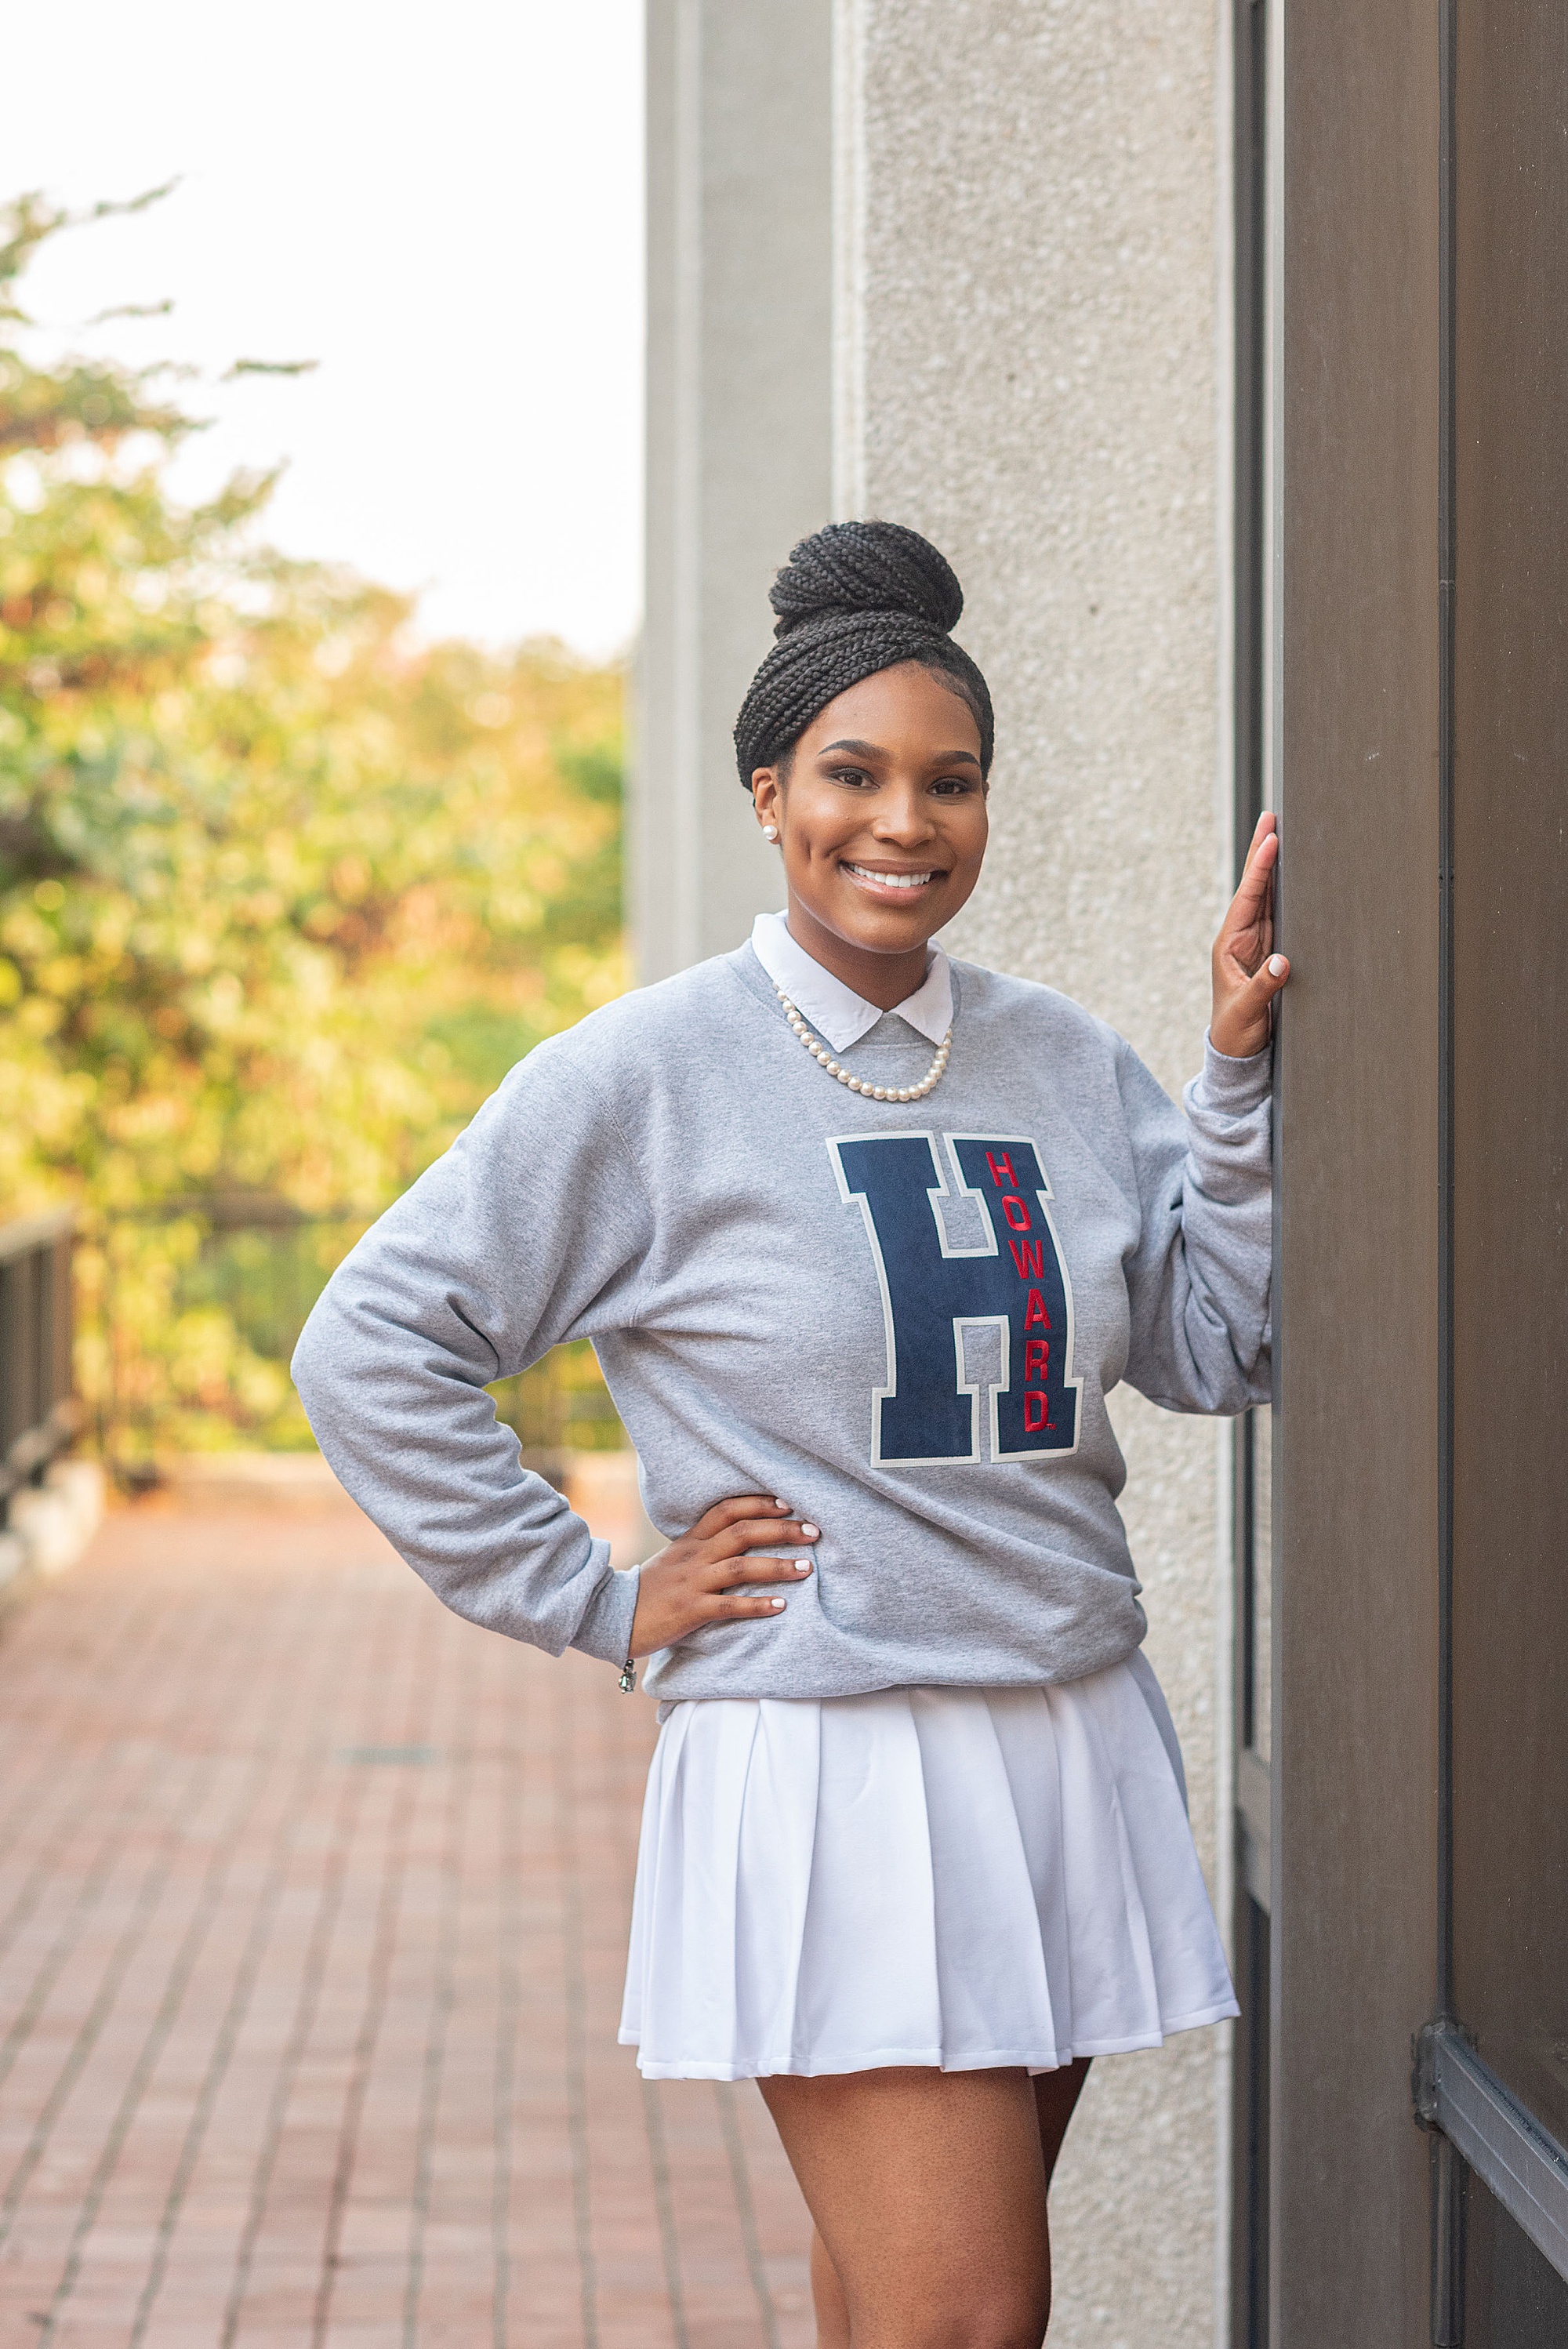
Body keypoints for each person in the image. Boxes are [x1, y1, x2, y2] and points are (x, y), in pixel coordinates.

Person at [292, 519, 1287, 2349]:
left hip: (1060, 1736)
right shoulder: (648, 1073)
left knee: (891, 2311)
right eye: (852, 773)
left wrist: (1231, 1083)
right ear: (767, 791)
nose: (903, 822)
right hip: (835, 1762)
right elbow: (371, 1339)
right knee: (965, 2317)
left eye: (950, 780)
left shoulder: (1064, 1058)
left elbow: (1221, 1347)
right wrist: (597, 1601)